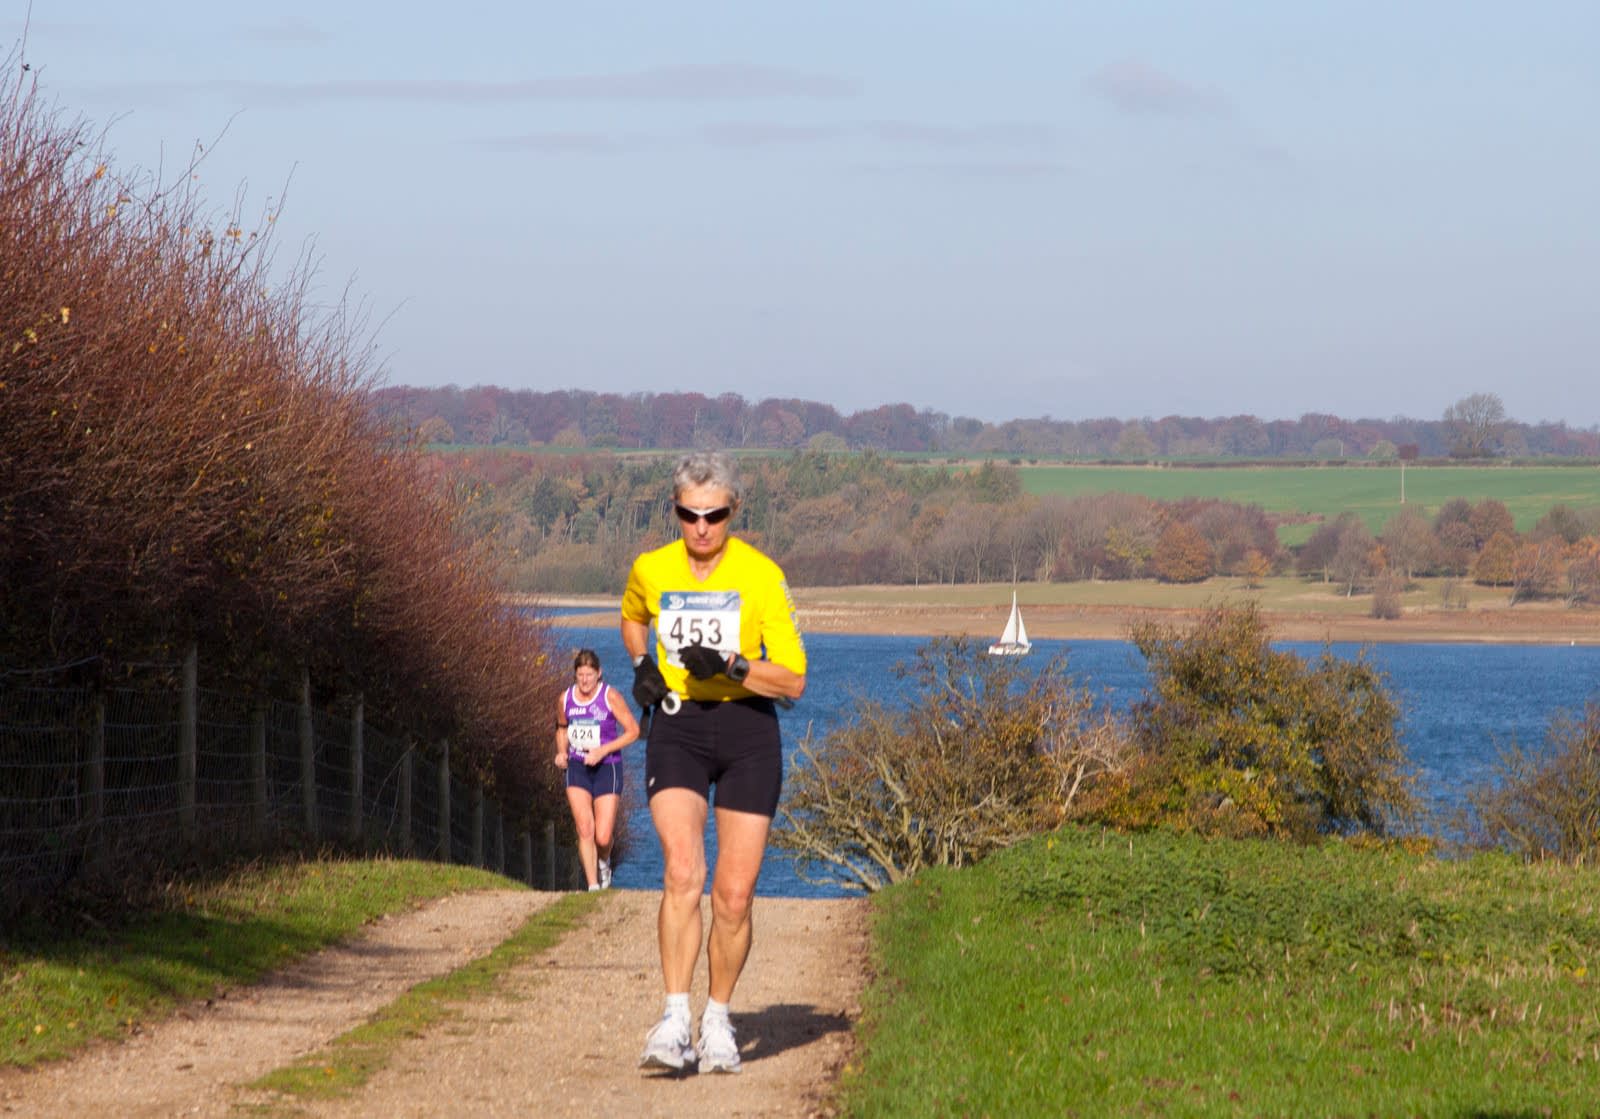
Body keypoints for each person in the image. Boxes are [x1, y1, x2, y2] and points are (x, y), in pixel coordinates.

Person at [622, 451, 807, 1075]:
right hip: (678, 726)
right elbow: (631, 617)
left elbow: (794, 680)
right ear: (675, 510)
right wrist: (642, 665)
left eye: (715, 515)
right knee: (682, 870)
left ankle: (718, 1019)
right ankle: (675, 1020)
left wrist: (733, 666)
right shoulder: (652, 568)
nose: (701, 527)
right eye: (689, 514)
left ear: (734, 511)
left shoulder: (761, 575)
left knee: (733, 895)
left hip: (748, 732)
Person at [554, 649, 639, 891]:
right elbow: (561, 728)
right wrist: (561, 752)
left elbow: (633, 731)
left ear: (599, 673)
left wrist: (602, 751)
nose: (584, 681)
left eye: (589, 675)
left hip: (607, 767)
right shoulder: (565, 699)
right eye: (580, 675)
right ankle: (592, 886)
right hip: (577, 766)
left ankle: (604, 862)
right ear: (575, 675)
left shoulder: (609, 696)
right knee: (584, 828)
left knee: (602, 836)